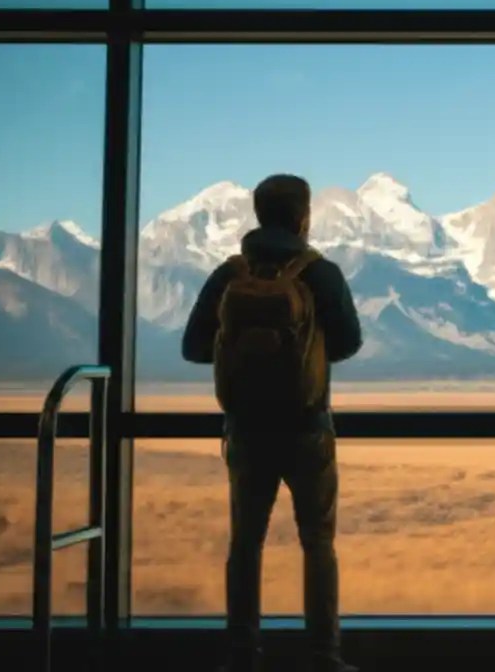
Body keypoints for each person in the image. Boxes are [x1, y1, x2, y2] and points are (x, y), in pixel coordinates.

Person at [182, 173, 363, 672]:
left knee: (245, 544)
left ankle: (242, 655)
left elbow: (192, 348)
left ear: (259, 215)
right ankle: (324, 656)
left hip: (247, 433)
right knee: (318, 543)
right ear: (304, 218)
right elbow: (348, 343)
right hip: (308, 429)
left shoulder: (229, 275)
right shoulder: (320, 274)